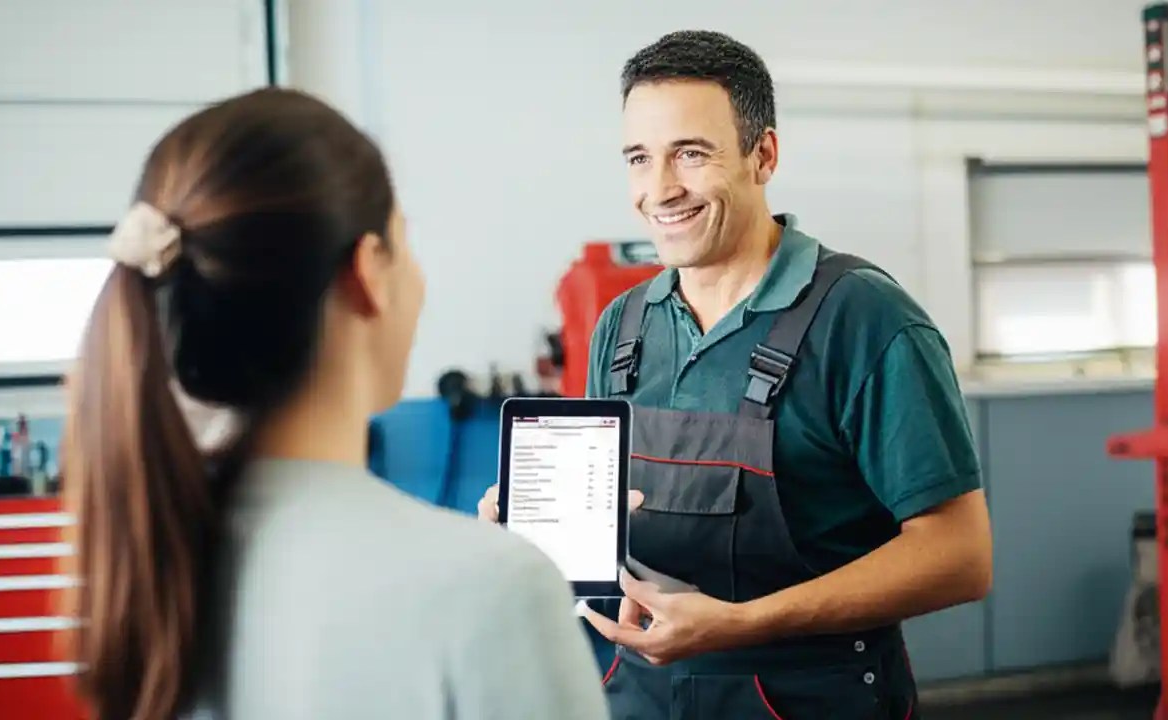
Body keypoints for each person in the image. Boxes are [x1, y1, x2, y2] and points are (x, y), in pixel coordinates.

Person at [479, 30, 993, 718]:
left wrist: (745, 623)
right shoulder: (622, 325)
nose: (659, 189)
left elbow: (960, 555)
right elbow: (602, 546)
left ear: (764, 156)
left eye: (690, 154)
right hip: (642, 693)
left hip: (811, 696)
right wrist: (538, 529)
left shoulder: (866, 319)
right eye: (639, 158)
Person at [59, 88, 609, 720]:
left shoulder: (151, 568)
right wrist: (479, 564)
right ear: (369, 271)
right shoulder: (499, 589)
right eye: (407, 244)